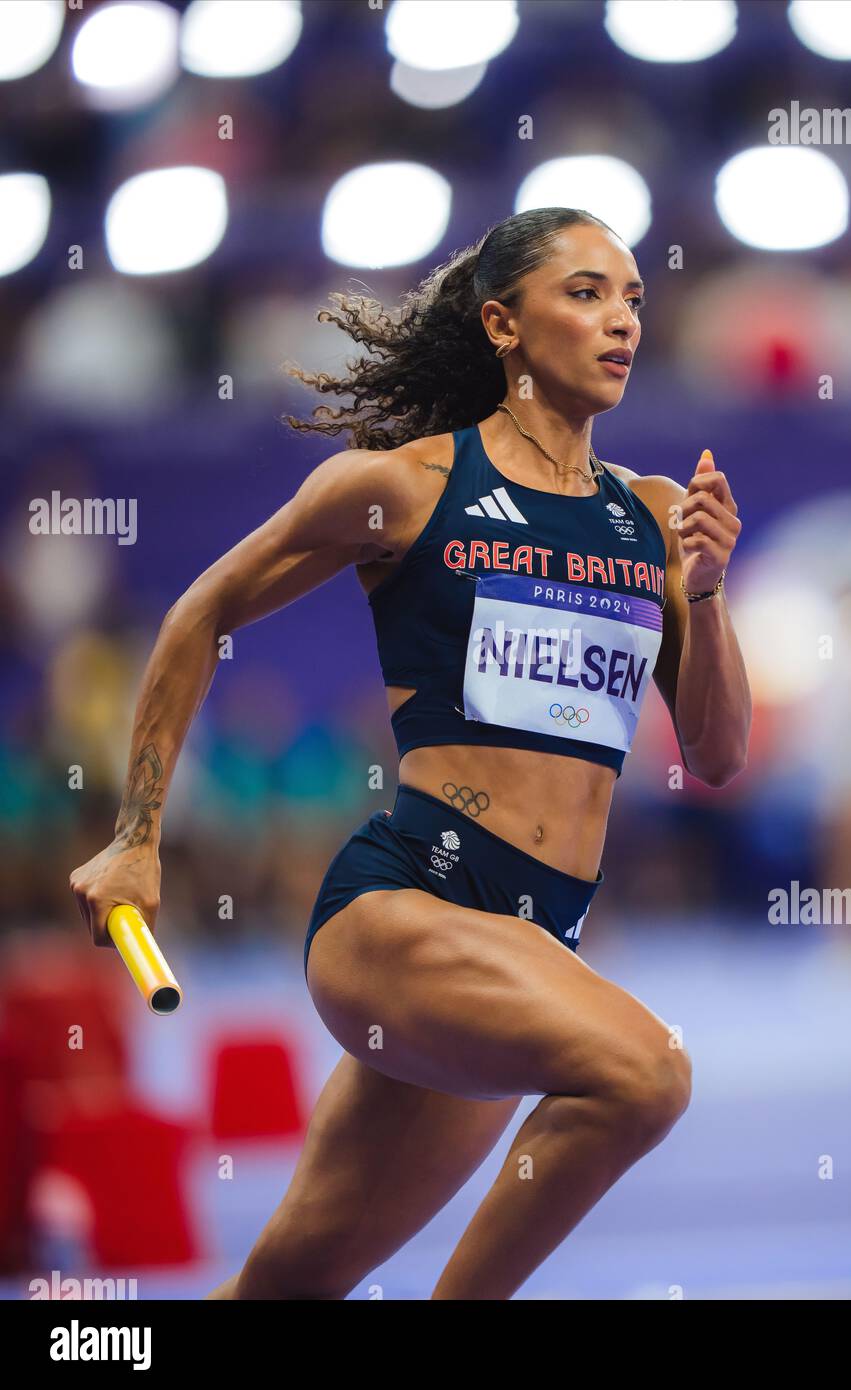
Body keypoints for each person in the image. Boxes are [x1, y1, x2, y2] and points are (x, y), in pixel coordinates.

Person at [69, 207, 751, 1300]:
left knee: (286, 1284)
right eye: (585, 293)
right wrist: (135, 838)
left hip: (530, 951)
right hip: (403, 916)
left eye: (633, 298)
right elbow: (200, 614)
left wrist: (707, 598)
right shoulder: (403, 487)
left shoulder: (653, 519)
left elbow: (716, 754)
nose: (621, 320)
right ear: (503, 325)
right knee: (646, 1074)